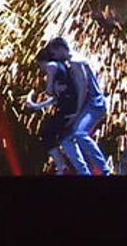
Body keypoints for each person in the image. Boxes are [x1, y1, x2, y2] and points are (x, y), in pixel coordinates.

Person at [46, 37, 113, 175]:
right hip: (88, 105)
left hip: (95, 104)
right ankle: (84, 172)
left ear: (60, 49)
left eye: (54, 53)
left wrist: (76, 113)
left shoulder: (75, 62)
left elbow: (83, 89)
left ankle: (106, 171)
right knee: (66, 138)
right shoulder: (72, 62)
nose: (55, 57)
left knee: (80, 133)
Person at [26, 47, 77, 174]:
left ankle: (63, 168)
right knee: (53, 134)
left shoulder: (51, 66)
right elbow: (55, 98)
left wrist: (49, 86)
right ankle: (63, 167)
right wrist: (36, 106)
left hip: (68, 109)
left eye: (40, 65)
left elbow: (49, 91)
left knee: (47, 134)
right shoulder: (61, 67)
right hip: (69, 107)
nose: (41, 69)